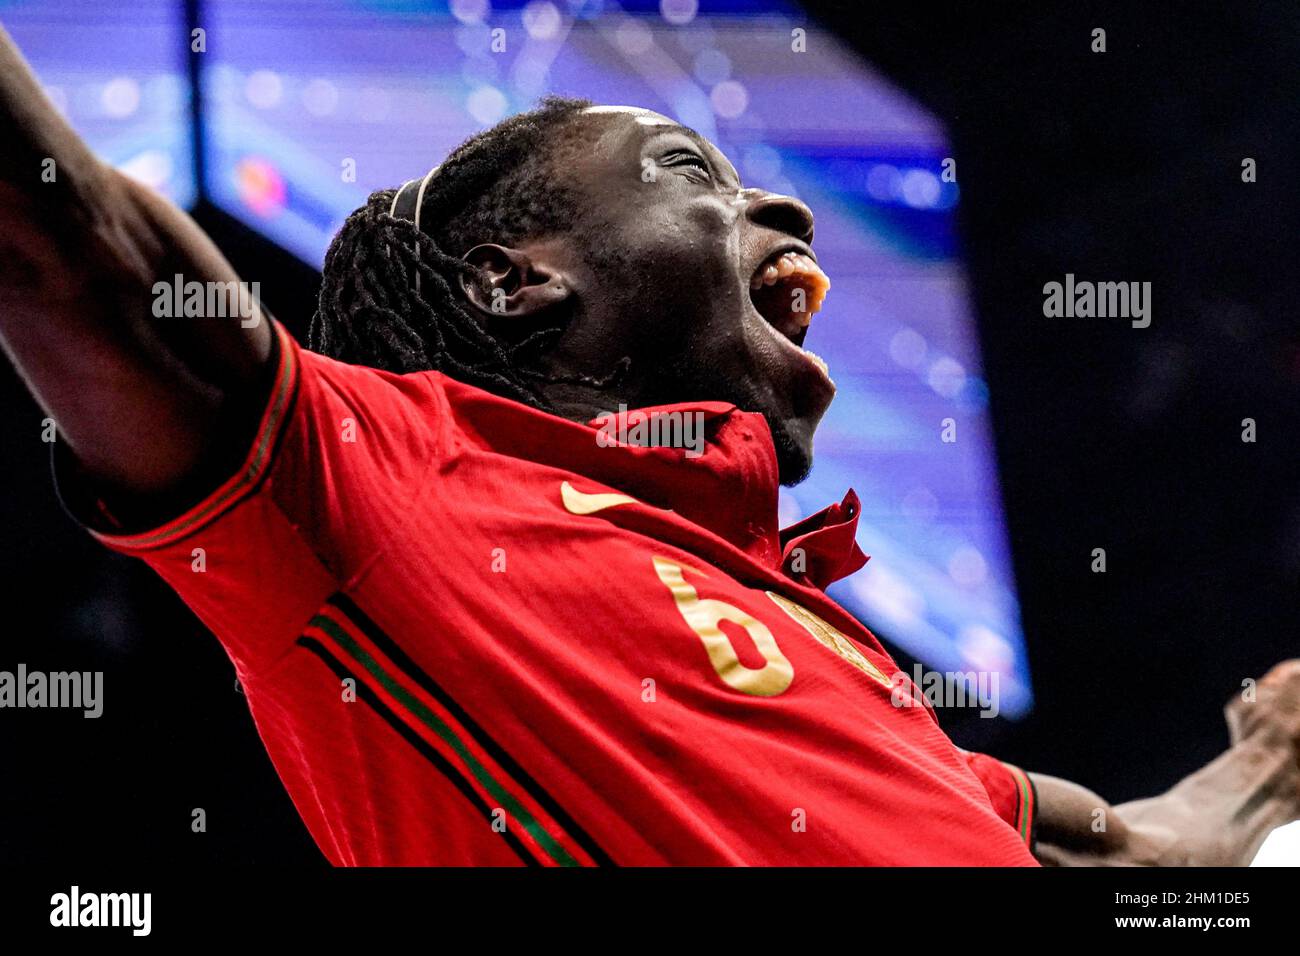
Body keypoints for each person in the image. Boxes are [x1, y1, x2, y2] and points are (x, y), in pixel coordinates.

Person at [2, 27, 1297, 865]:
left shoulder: (841, 673)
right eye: (689, 171)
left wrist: (1264, 765)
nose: (775, 202)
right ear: (520, 284)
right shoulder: (387, 489)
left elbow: (1125, 860)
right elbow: (82, 260)